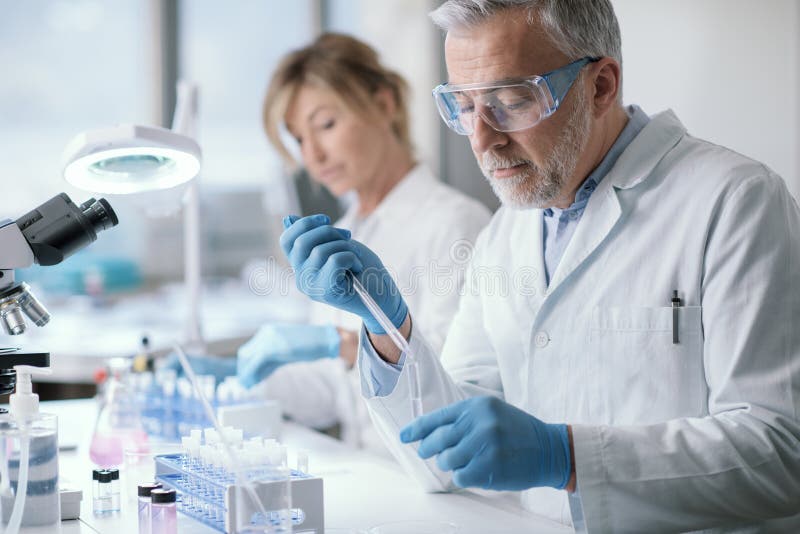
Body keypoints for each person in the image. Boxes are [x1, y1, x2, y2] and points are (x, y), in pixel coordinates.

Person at [280, 1, 800, 532]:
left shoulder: (733, 200)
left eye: (510, 101)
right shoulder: (505, 234)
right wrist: (386, 328)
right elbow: (442, 454)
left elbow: (784, 452)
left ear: (600, 86)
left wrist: (566, 456)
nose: (482, 139)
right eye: (463, 105)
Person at [232, 33, 489, 450]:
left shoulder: (455, 223)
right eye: (298, 139)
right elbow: (332, 398)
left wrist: (349, 346)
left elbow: (456, 387)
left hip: (436, 479)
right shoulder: (345, 231)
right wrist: (238, 379)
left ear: (384, 105)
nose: (311, 156)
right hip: (370, 472)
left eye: (326, 125)